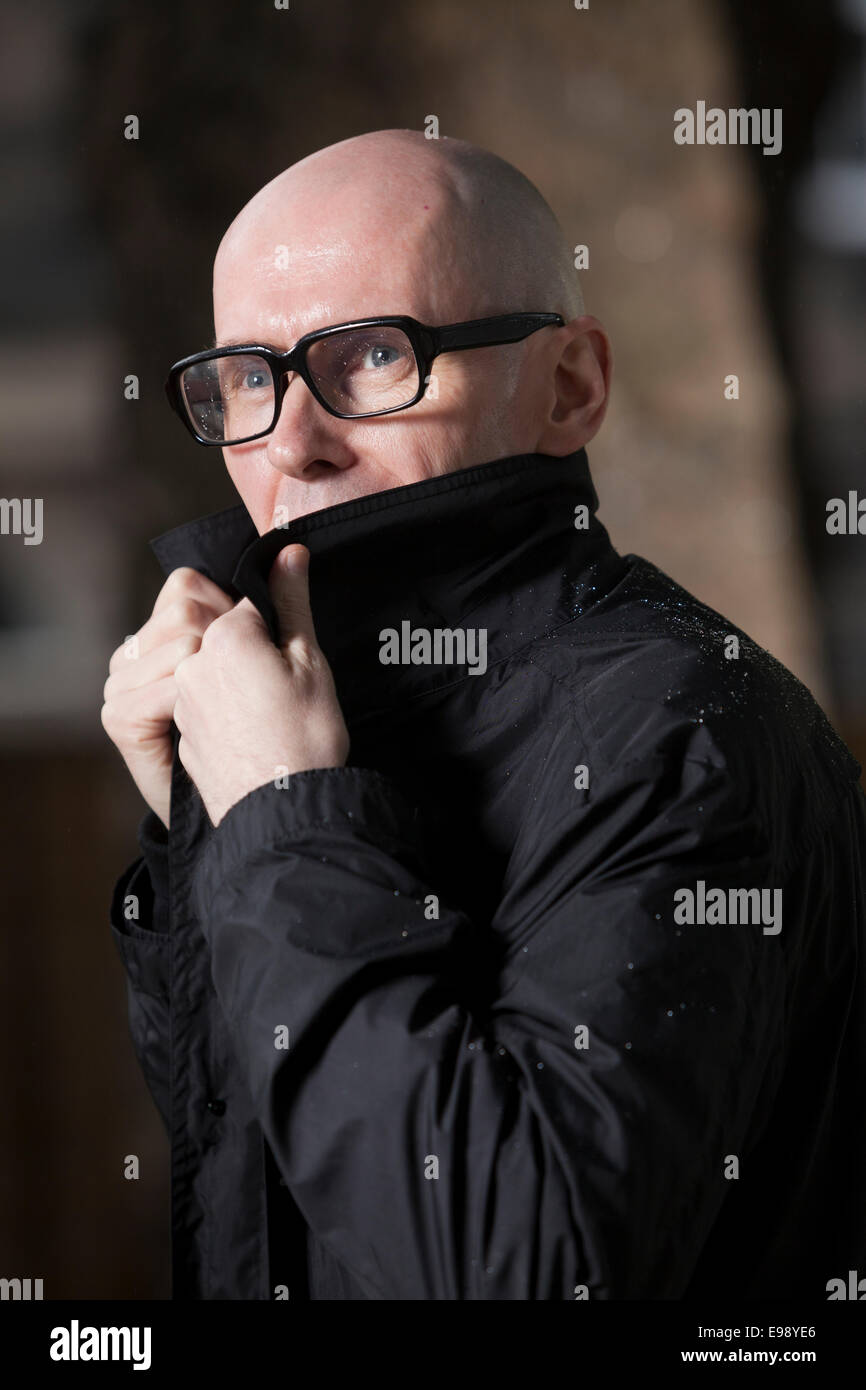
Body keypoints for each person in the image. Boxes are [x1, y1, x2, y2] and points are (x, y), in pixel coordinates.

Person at [101, 129, 866, 1300]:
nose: (292, 446)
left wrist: (276, 821)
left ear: (569, 385)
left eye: (368, 357)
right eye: (250, 378)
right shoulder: (312, 711)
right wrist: (206, 827)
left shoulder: (679, 735)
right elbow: (276, 1203)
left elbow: (516, 1271)